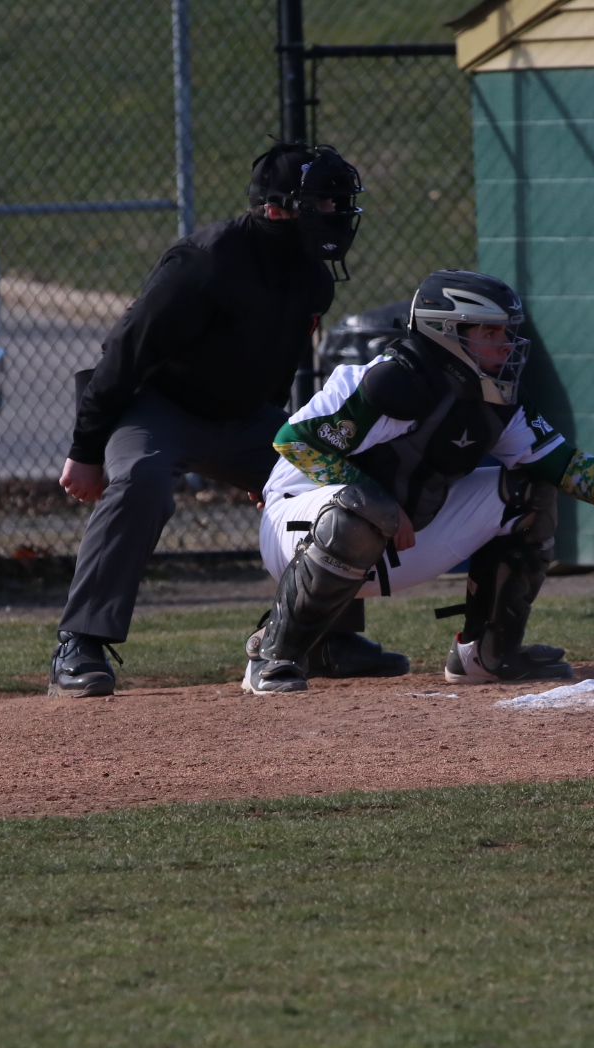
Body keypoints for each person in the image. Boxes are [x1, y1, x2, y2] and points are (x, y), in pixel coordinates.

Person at [244, 270, 594, 693]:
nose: (505, 343)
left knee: (530, 494)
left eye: (507, 331)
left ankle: (486, 656)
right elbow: (295, 441)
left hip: (396, 540)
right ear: (447, 334)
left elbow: (564, 466)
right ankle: (274, 653)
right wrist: (376, 499)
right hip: (297, 525)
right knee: (364, 509)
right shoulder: (384, 383)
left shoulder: (497, 397)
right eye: (490, 332)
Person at [46, 144, 398, 698]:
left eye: (339, 202)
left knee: (335, 481)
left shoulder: (313, 279)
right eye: (323, 202)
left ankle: (325, 635)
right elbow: (124, 352)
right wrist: (86, 448)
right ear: (278, 209)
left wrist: (281, 468)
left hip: (244, 417)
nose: (337, 212)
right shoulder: (205, 261)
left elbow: (276, 374)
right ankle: (80, 643)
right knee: (141, 482)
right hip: (158, 406)